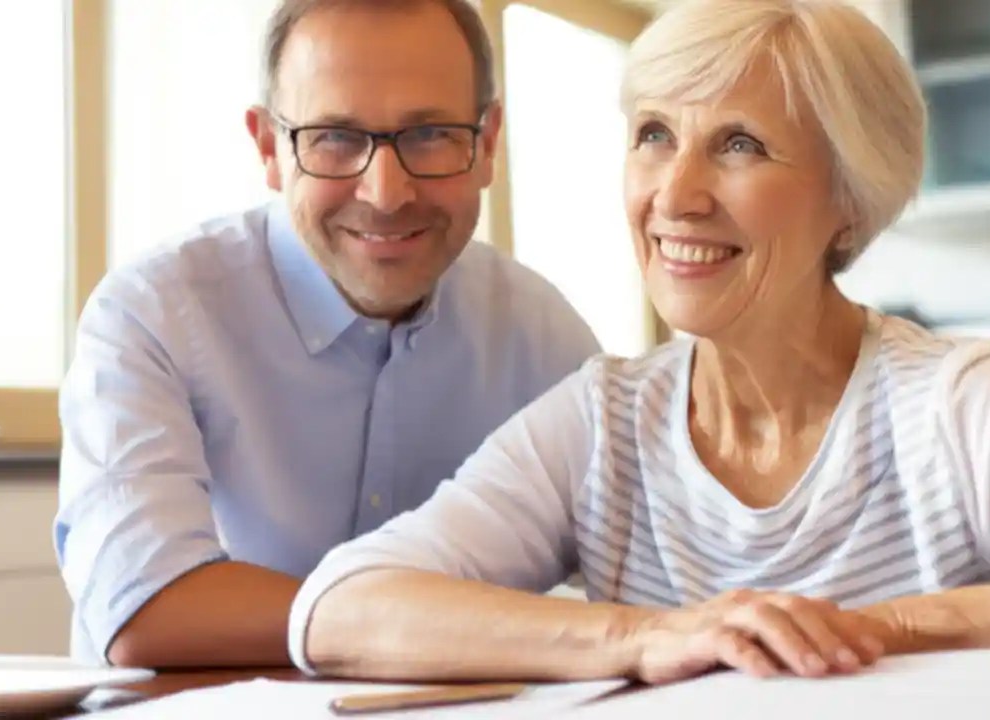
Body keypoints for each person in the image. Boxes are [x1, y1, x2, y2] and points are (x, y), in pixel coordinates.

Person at [286, 0, 990, 685]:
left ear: (848, 196)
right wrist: (645, 638)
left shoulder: (951, 402)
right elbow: (341, 604)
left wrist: (891, 626)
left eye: (738, 144)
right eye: (655, 134)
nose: (676, 193)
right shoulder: (604, 419)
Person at [54, 0, 599, 668]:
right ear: (269, 148)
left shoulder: (547, 340)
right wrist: (448, 625)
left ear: (486, 144)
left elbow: (637, 586)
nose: (386, 192)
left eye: (429, 134)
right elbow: (147, 608)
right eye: (335, 137)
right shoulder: (151, 313)